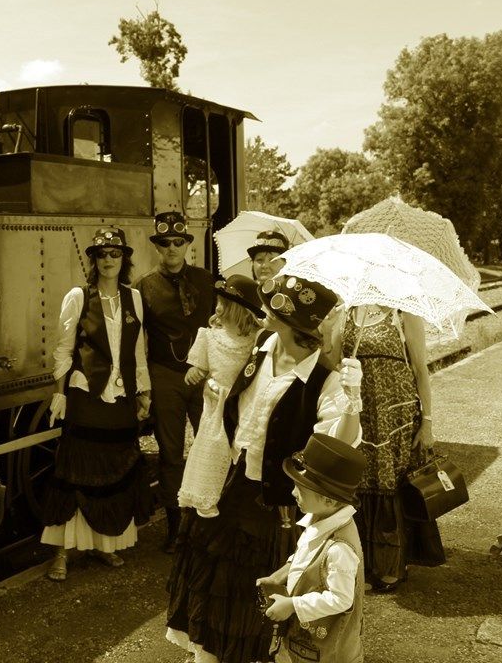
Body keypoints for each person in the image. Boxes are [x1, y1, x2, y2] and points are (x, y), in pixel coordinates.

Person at [165, 275, 364, 663]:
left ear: (290, 322)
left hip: (270, 498)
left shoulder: (325, 380)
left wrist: (353, 397)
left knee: (245, 586)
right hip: (231, 479)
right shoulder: (262, 345)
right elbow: (240, 401)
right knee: (209, 569)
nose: (264, 312)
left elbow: (341, 445)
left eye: (273, 309)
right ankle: (207, 654)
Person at [41, 226, 153, 581]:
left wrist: (143, 392)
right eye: (102, 254)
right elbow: (63, 348)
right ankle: (60, 553)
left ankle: (105, 545)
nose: (108, 260)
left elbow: (138, 351)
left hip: (121, 398)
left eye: (115, 254)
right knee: (73, 472)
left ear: (124, 259)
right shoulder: (78, 296)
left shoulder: (133, 298)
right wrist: (59, 392)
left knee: (116, 471)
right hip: (86, 394)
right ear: (93, 260)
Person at [332, 304, 444, 592]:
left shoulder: (404, 313)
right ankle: (364, 566)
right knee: (360, 484)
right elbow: (331, 361)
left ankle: (391, 566)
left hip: (395, 416)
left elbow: (420, 370)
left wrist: (427, 422)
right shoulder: (346, 312)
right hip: (360, 412)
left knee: (390, 485)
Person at [137, 210, 215, 552]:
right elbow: (139, 338)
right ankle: (175, 528)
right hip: (165, 375)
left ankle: (209, 522)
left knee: (211, 447)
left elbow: (221, 324)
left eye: (178, 242)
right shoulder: (144, 287)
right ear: (158, 247)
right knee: (170, 454)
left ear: (187, 244)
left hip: (203, 374)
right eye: (165, 243)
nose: (172, 248)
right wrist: (145, 386)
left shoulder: (206, 280)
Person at [257, 433, 367, 663]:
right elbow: (305, 556)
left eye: (301, 488)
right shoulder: (319, 519)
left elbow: (340, 598)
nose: (293, 493)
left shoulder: (339, 548)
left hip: (327, 647)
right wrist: (280, 575)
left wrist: (293, 604)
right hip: (305, 641)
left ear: (330, 500)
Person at [178, 275, 264, 517]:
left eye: (225, 304)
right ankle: (206, 496)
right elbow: (199, 367)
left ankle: (232, 493)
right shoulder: (208, 335)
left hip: (242, 400)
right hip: (216, 403)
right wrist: (195, 372)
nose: (218, 307)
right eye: (219, 301)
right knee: (213, 444)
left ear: (241, 311)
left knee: (238, 449)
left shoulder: (255, 339)